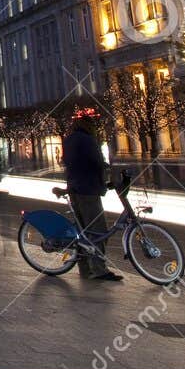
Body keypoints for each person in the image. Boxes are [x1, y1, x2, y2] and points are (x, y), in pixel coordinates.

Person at [62, 112, 121, 281]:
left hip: (74, 187)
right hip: (88, 189)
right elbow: (96, 162)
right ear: (90, 126)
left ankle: (85, 269)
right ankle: (99, 269)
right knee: (97, 230)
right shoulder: (88, 140)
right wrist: (108, 172)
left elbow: (66, 161)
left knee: (82, 232)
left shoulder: (69, 139)